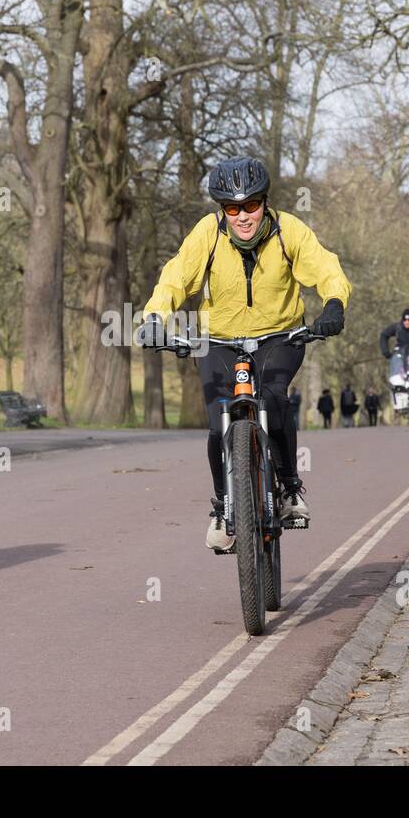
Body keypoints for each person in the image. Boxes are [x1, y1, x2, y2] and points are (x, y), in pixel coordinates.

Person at [135, 155, 351, 550]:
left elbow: (325, 268)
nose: (243, 216)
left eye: (251, 205)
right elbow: (175, 277)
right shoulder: (207, 234)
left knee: (274, 398)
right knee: (220, 421)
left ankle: (288, 487)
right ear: (222, 210)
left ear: (264, 202)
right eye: (233, 208)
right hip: (217, 339)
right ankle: (221, 507)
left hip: (279, 336)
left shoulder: (290, 231)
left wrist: (334, 302)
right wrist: (154, 318)